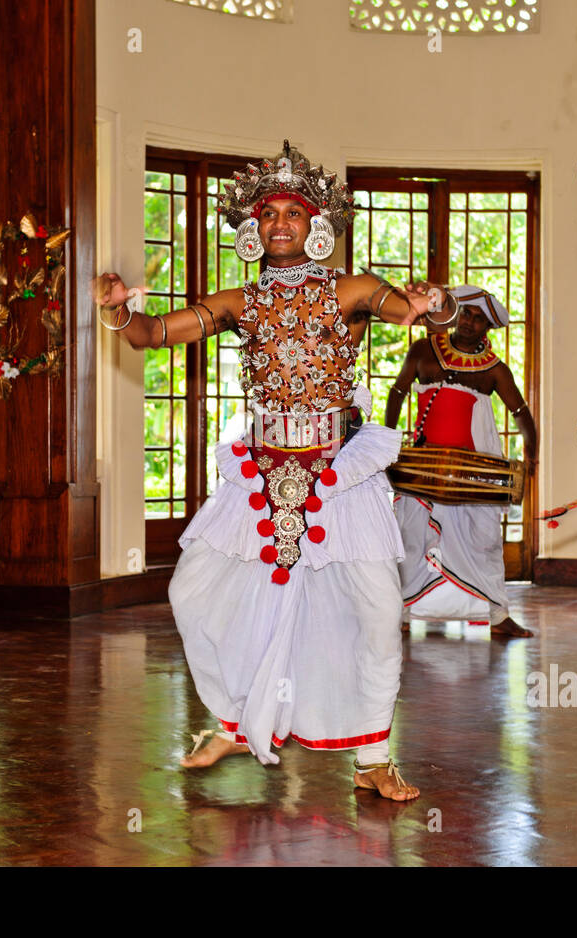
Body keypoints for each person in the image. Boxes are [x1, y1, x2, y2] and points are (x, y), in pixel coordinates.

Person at [95, 141, 457, 801]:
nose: (281, 223)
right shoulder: (238, 299)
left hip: (342, 472)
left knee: (376, 614)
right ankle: (236, 719)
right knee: (190, 592)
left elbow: (412, 314)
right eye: (269, 215)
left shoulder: (351, 288)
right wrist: (119, 309)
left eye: (294, 212)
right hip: (260, 473)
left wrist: (435, 304)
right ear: (252, 229)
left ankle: (374, 756)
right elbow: (150, 336)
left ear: (317, 224)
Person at [384, 285, 536, 639]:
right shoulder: (423, 350)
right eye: (465, 313)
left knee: (482, 540)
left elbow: (521, 412)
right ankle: (403, 613)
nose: (469, 321)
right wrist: (388, 440)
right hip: (422, 468)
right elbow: (397, 392)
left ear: (488, 327)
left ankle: (497, 616)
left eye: (478, 318)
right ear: (454, 314)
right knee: (412, 537)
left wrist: (533, 457)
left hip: (472, 474)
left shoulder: (495, 369)